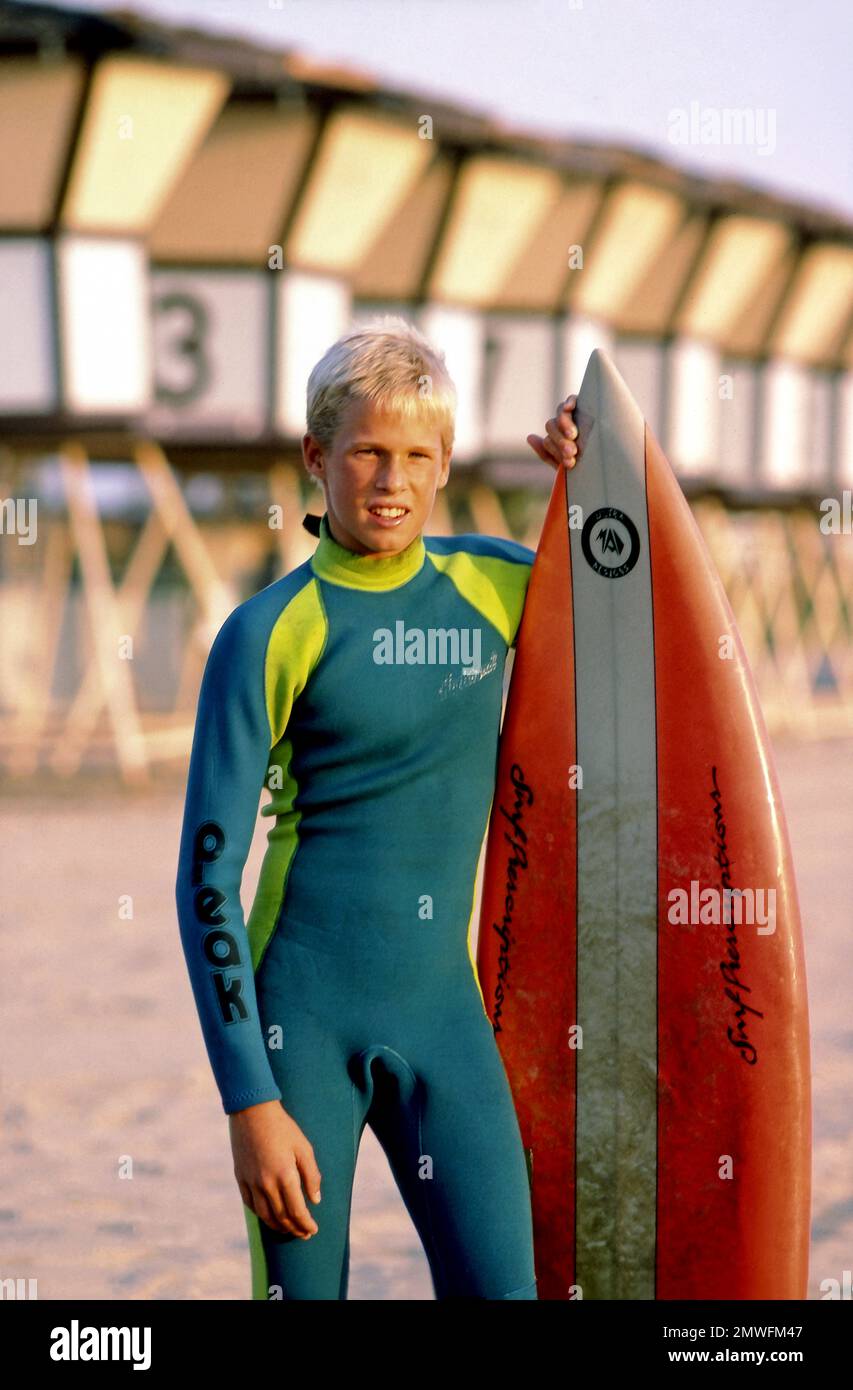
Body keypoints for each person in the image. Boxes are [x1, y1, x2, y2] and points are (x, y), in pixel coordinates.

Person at [175, 317, 581, 1300]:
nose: (389, 480)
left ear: (445, 465)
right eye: (365, 451)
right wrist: (250, 1104)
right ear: (318, 456)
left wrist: (594, 472)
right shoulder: (269, 632)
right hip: (297, 1023)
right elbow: (203, 882)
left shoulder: (493, 584)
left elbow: (636, 591)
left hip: (445, 1014)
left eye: (414, 455)